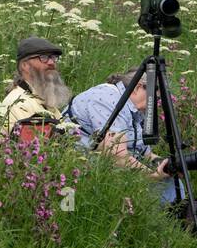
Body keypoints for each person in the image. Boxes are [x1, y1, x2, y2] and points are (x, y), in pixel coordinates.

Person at [66, 69, 177, 204]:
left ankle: (180, 217)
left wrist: (169, 165)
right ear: (138, 88)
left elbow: (145, 154)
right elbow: (115, 154)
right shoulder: (108, 98)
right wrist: (152, 175)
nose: (156, 104)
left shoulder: (133, 110)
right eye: (156, 98)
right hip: (79, 168)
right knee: (160, 186)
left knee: (171, 181)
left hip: (103, 165)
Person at [0, 36, 75, 140]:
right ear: (25, 65)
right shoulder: (19, 103)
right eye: (43, 57)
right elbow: (30, 150)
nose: (51, 62)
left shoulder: (45, 101)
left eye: (53, 57)